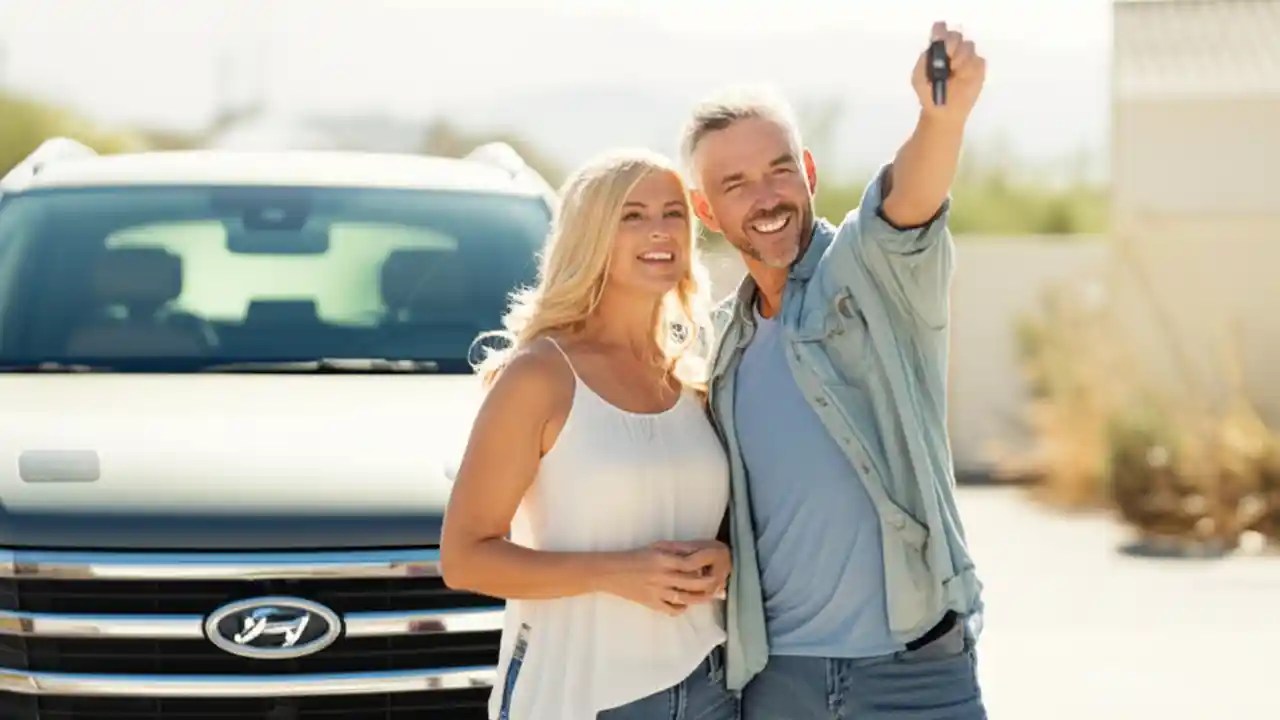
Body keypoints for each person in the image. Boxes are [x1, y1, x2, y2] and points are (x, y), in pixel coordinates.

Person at [681, 22, 989, 719]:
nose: (765, 198)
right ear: (706, 209)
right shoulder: (720, 343)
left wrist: (941, 118)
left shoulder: (868, 272)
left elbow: (907, 205)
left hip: (913, 671)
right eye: (735, 184)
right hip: (775, 678)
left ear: (809, 172)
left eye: (778, 169)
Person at [440, 148, 738, 720]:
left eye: (673, 213)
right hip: (582, 697)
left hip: (708, 688)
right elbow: (465, 558)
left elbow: (703, 523)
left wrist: (723, 562)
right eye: (632, 215)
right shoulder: (540, 376)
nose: (659, 230)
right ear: (590, 235)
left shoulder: (691, 377)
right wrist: (617, 573)